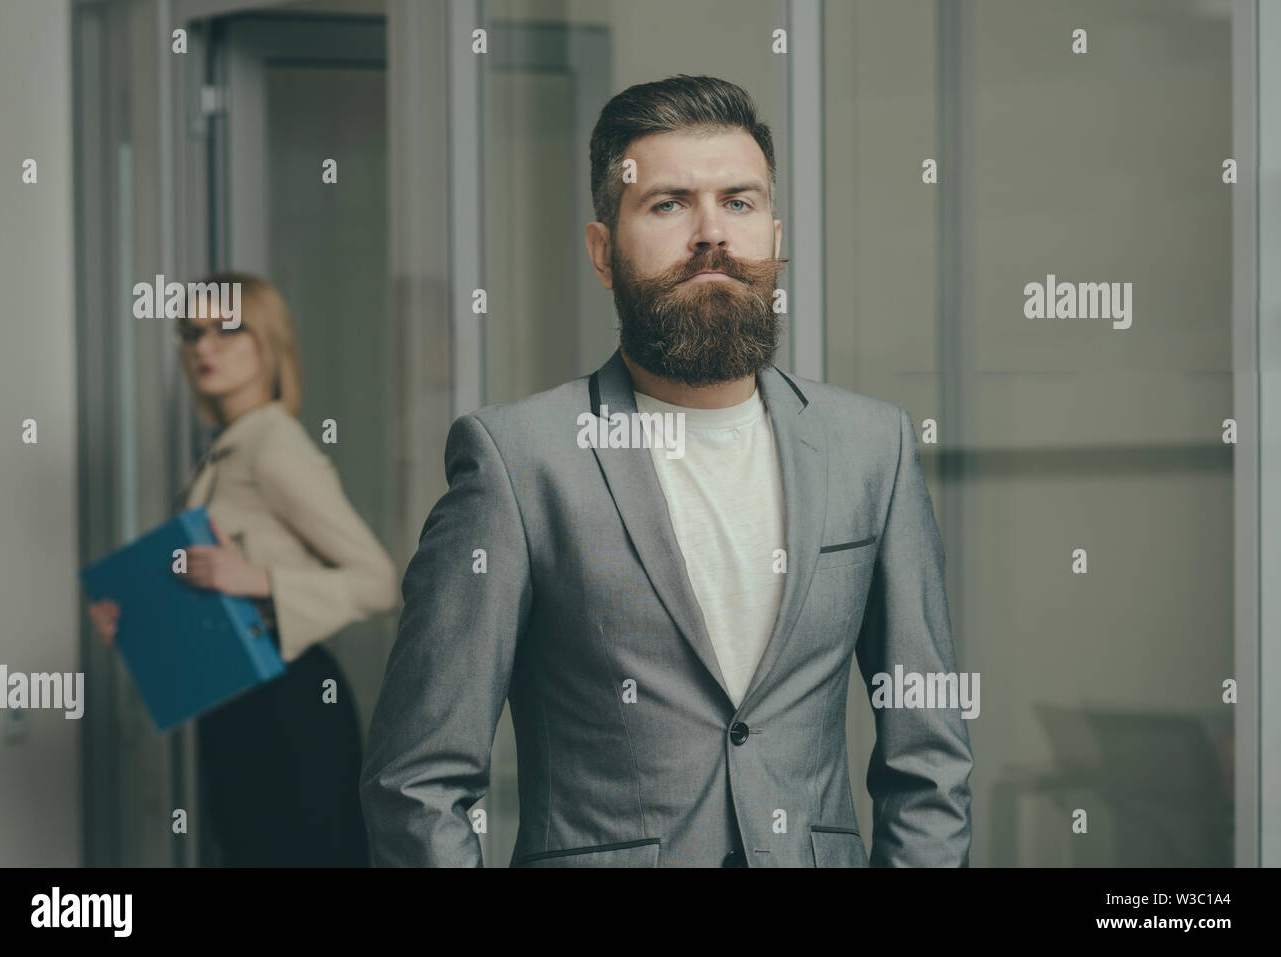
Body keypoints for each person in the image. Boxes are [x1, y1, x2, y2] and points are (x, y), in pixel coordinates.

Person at [360, 75, 974, 867]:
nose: (711, 233)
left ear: (776, 238)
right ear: (601, 250)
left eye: (740, 203)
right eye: (668, 204)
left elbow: (929, 756)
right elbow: (417, 782)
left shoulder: (871, 447)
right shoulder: (518, 461)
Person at [88, 272, 398, 866]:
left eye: (226, 329)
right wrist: (135, 624)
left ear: (267, 342)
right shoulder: (225, 451)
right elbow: (210, 595)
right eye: (191, 333)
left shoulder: (272, 444)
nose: (203, 347)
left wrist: (255, 580)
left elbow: (378, 580)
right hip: (234, 707)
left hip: (287, 707)